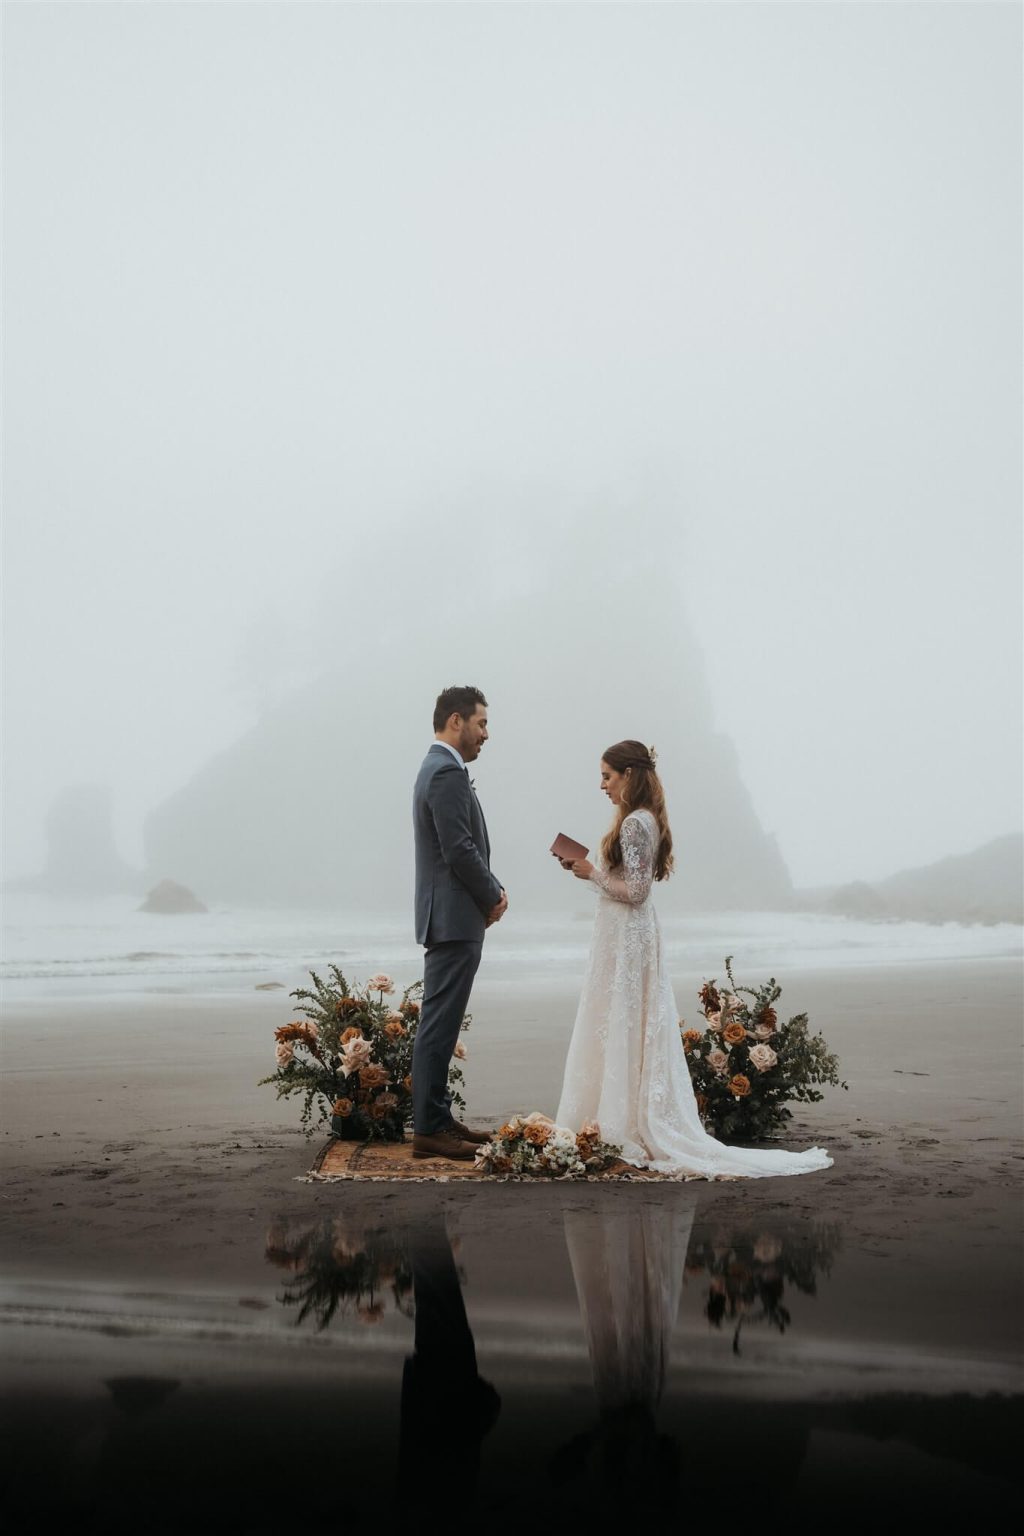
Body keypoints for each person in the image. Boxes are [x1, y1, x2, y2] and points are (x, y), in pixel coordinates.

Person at [554, 740, 832, 1179]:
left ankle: (621, 1122)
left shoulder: (634, 825)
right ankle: (618, 1114)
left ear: (629, 775)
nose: (601, 784)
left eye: (607, 775)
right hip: (630, 935)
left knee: (624, 1017)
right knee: (626, 1018)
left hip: (628, 936)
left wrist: (593, 873)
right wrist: (598, 876)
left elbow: (637, 892)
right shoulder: (643, 820)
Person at [411, 685, 507, 1161]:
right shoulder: (446, 771)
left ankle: (438, 1116)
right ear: (455, 721)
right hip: (453, 918)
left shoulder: (441, 769)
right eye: (481, 723)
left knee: (442, 1024)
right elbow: (459, 850)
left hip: (450, 916)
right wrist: (494, 894)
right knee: (438, 1025)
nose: (486, 733)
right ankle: (429, 1127)